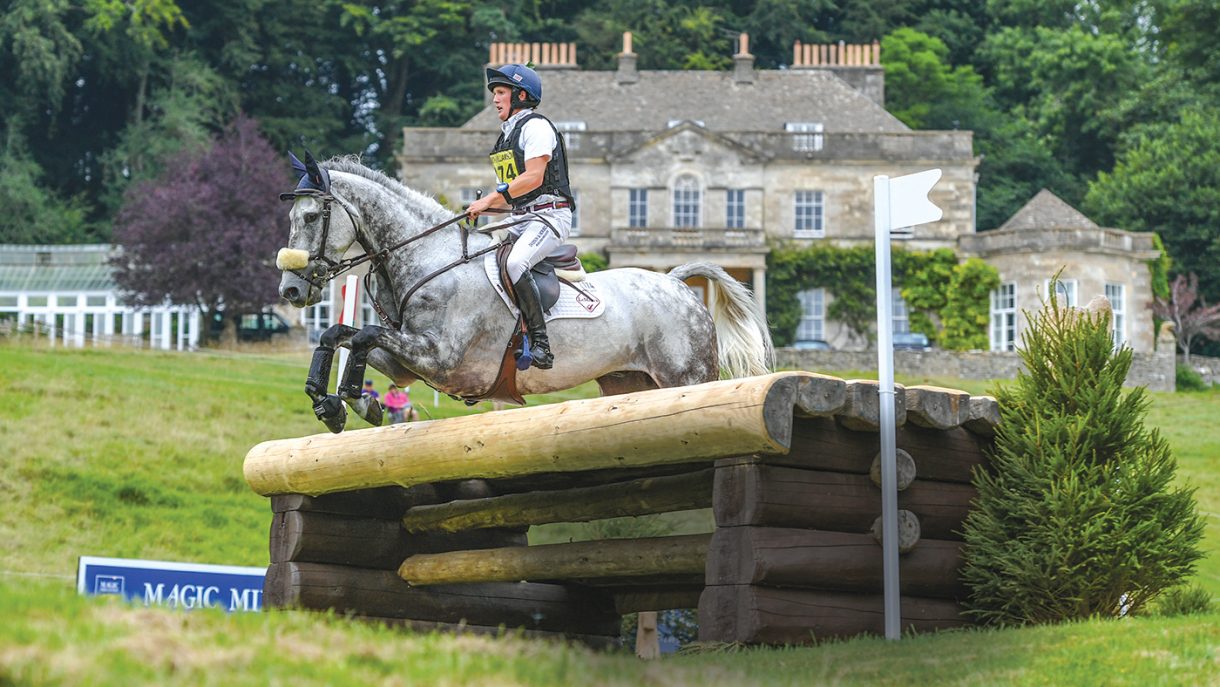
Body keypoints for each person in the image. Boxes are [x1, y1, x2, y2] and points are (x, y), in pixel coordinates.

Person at [465, 63, 574, 370]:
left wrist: (491, 198)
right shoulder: (507, 137)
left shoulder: (536, 127)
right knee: (475, 253)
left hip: (549, 217)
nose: (495, 99)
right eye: (495, 93)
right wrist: (487, 208)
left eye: (500, 92)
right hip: (522, 216)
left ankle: (542, 345)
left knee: (515, 263)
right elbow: (516, 193)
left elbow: (534, 178)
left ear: (521, 95)